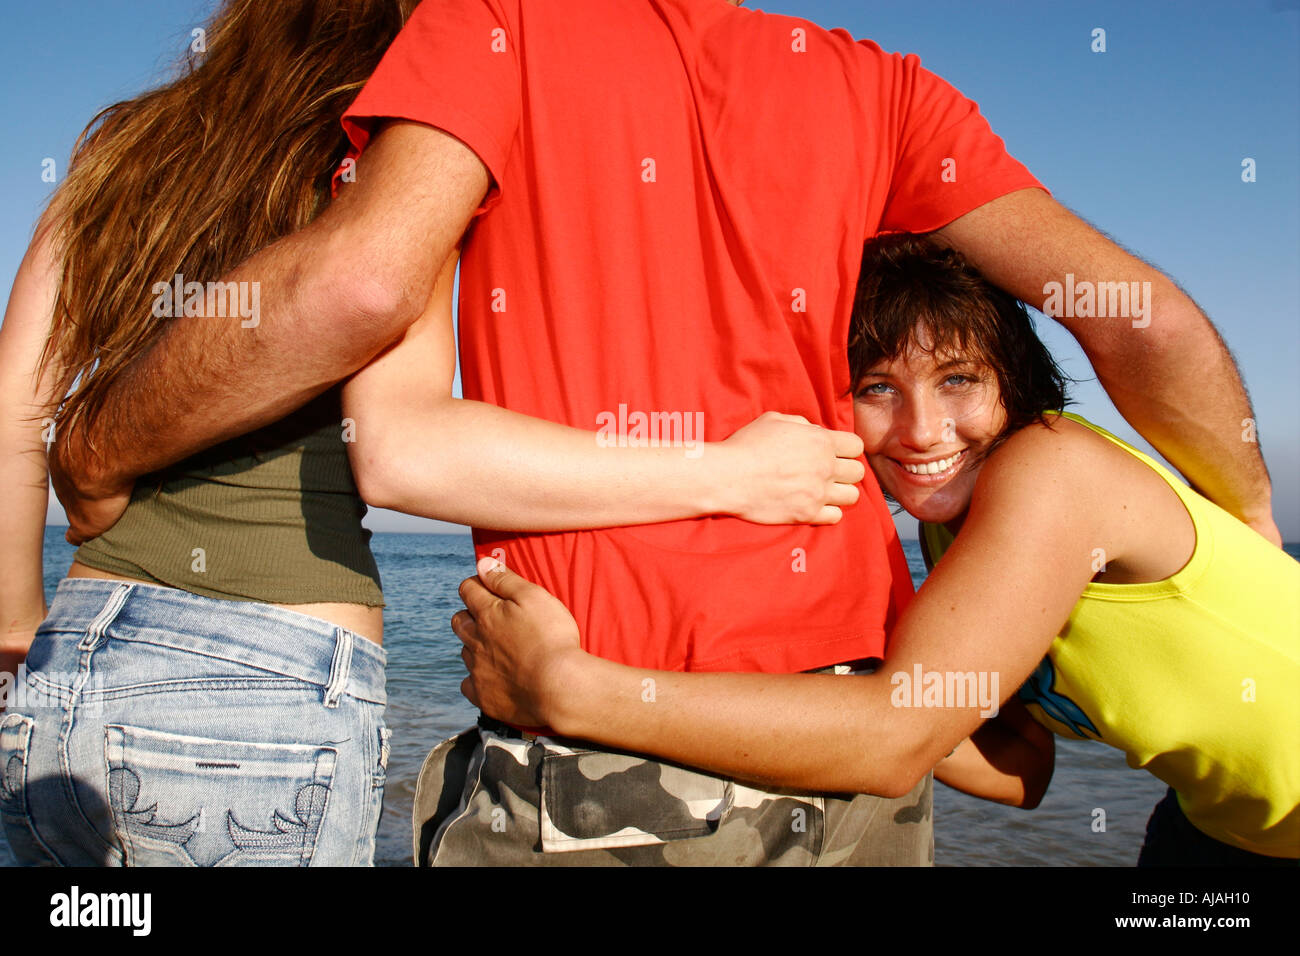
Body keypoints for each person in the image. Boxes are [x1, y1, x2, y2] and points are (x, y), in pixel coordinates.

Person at [49, 0, 1279, 866]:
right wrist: (1251, 533)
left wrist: (97, 444)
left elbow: (372, 319)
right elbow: (1148, 321)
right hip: (842, 749)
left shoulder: (487, 29)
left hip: (595, 743)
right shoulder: (880, 84)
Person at [0, 0, 856, 867]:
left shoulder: (124, 145)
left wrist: (20, 617)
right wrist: (728, 472)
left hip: (76, 641)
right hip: (271, 671)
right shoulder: (392, 148)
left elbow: (13, 408)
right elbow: (393, 403)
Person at [455, 233, 1300, 865]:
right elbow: (1021, 767)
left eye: (959, 379)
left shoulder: (1055, 469)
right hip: (1212, 829)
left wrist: (570, 688)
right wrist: (830, 679)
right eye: (877, 390)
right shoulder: (948, 523)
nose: (924, 430)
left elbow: (895, 745)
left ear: (1016, 379)